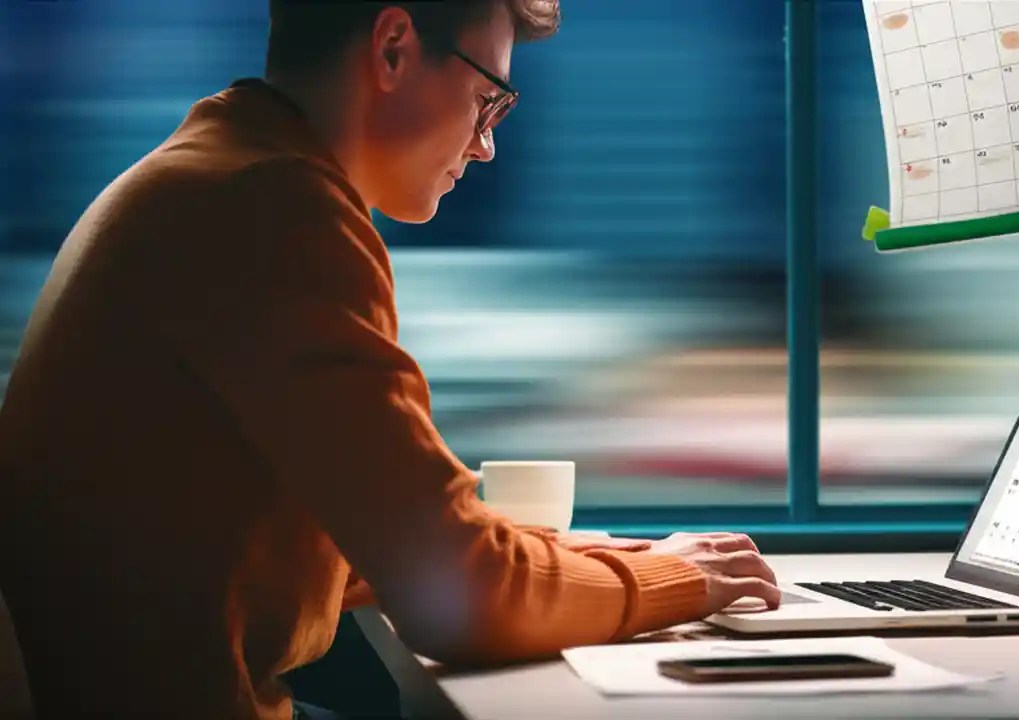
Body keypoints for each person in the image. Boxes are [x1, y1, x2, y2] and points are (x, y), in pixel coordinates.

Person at [0, 1, 781, 718]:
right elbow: (457, 598)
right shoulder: (276, 212)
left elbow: (362, 548)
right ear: (395, 48)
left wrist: (560, 556)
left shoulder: (216, 172)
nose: (487, 146)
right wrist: (680, 580)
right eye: (488, 100)